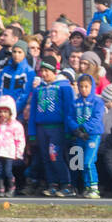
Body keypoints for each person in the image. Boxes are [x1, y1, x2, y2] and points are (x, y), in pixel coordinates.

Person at [27, 56, 76, 197]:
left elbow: (69, 110)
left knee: (54, 155)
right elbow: (33, 112)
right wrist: (32, 132)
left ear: (55, 71)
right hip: (42, 128)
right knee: (45, 157)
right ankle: (52, 183)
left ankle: (67, 184)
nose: (44, 74)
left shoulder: (64, 87)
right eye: (42, 71)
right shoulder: (39, 89)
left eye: (47, 71)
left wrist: (68, 130)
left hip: (57, 128)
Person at [68, 72, 105, 197]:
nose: (83, 89)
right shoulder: (75, 102)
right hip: (78, 136)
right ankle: (86, 186)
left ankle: (94, 187)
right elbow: (70, 117)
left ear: (92, 87)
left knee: (88, 161)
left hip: (92, 135)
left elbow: (96, 118)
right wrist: (76, 129)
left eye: (86, 86)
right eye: (81, 86)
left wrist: (84, 128)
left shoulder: (97, 102)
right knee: (77, 163)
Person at [0, 95, 26, 198]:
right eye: (0, 112)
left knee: (7, 171)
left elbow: (20, 140)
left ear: (10, 112)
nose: (2, 114)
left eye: (5, 112)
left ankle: (11, 188)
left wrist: (19, 153)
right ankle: (1, 188)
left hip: (9, 153)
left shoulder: (15, 125)